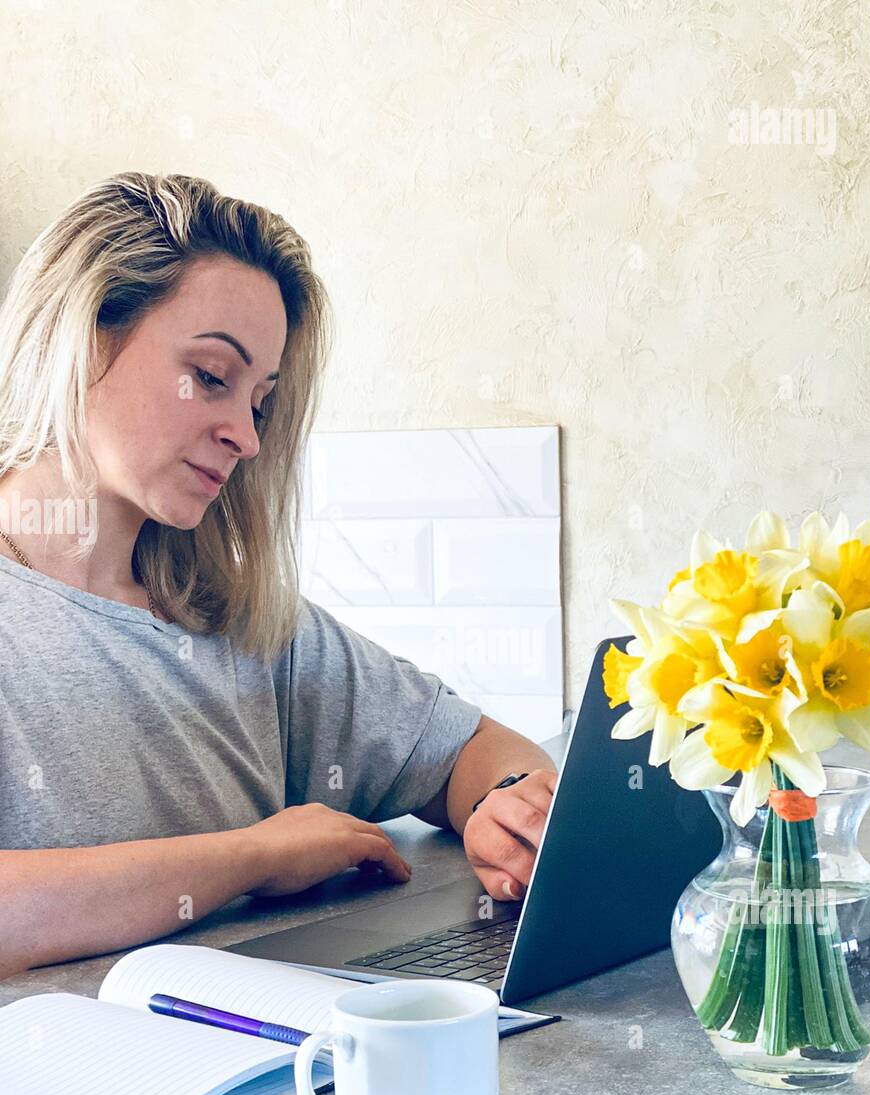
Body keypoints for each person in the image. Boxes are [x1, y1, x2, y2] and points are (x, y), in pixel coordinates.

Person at [0, 172, 556, 979]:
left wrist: (506, 803)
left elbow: (468, 747)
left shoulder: (237, 621)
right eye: (214, 376)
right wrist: (250, 858)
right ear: (86, 338)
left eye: (260, 401)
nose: (246, 436)